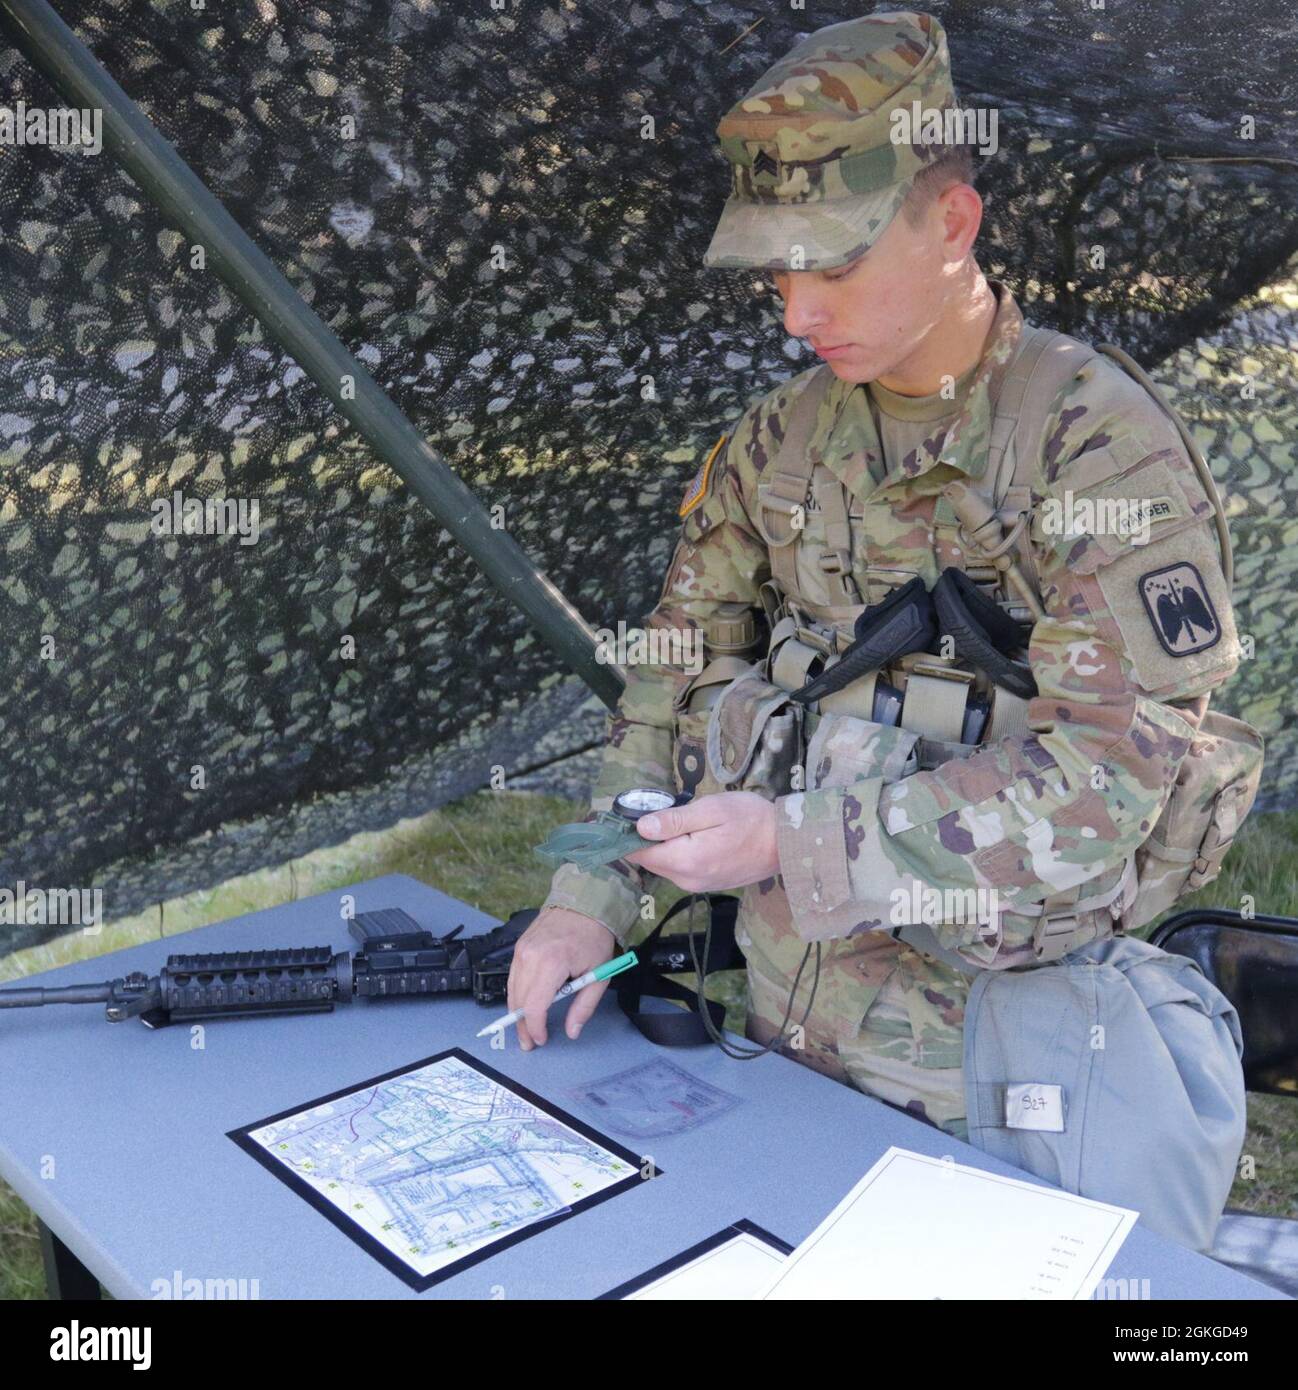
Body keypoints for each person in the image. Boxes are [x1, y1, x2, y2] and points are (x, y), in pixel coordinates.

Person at [508, 10, 1259, 1250]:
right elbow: (670, 681)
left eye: (835, 264)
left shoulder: (1090, 446)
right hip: (784, 1033)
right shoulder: (777, 440)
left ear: (951, 223)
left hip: (990, 1067)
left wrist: (793, 838)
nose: (796, 312)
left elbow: (1108, 776)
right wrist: (586, 898)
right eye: (773, 273)